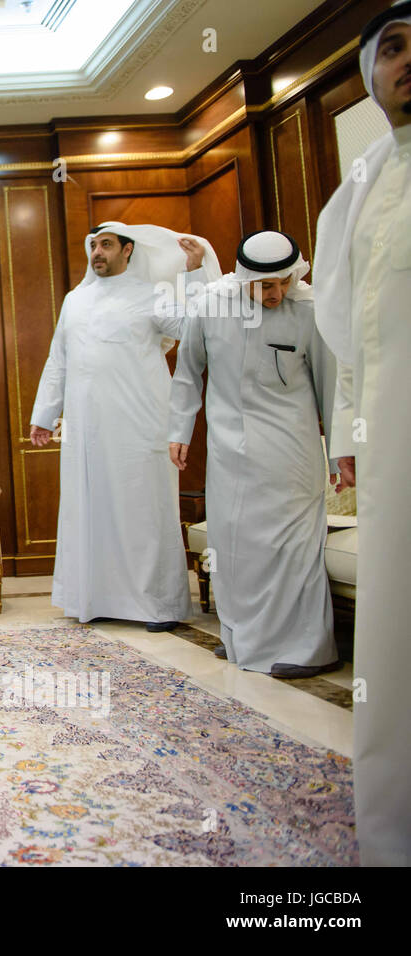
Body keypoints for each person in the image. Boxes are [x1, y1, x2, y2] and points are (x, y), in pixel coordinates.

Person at [312, 0, 411, 867]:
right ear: (372, 76)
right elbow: (355, 332)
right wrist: (349, 433)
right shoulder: (367, 187)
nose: (408, 62)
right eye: (394, 49)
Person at [30, 222, 218, 631]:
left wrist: (194, 274)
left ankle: (158, 606)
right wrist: (45, 414)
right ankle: (95, 599)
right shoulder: (74, 301)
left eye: (107, 245)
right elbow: (58, 358)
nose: (97, 252)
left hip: (141, 424)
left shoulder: (152, 295)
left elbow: (195, 329)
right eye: (93, 245)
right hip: (86, 428)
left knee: (143, 509)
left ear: (128, 250)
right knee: (91, 507)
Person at [168, 230, 339, 678]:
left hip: (292, 452)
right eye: (266, 286)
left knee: (292, 550)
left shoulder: (310, 309)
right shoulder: (211, 305)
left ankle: (308, 649)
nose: (276, 293)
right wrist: (180, 429)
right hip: (229, 451)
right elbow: (188, 372)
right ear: (244, 278)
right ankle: (241, 637)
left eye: (284, 281)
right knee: (234, 547)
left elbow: (333, 386)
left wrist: (341, 452)